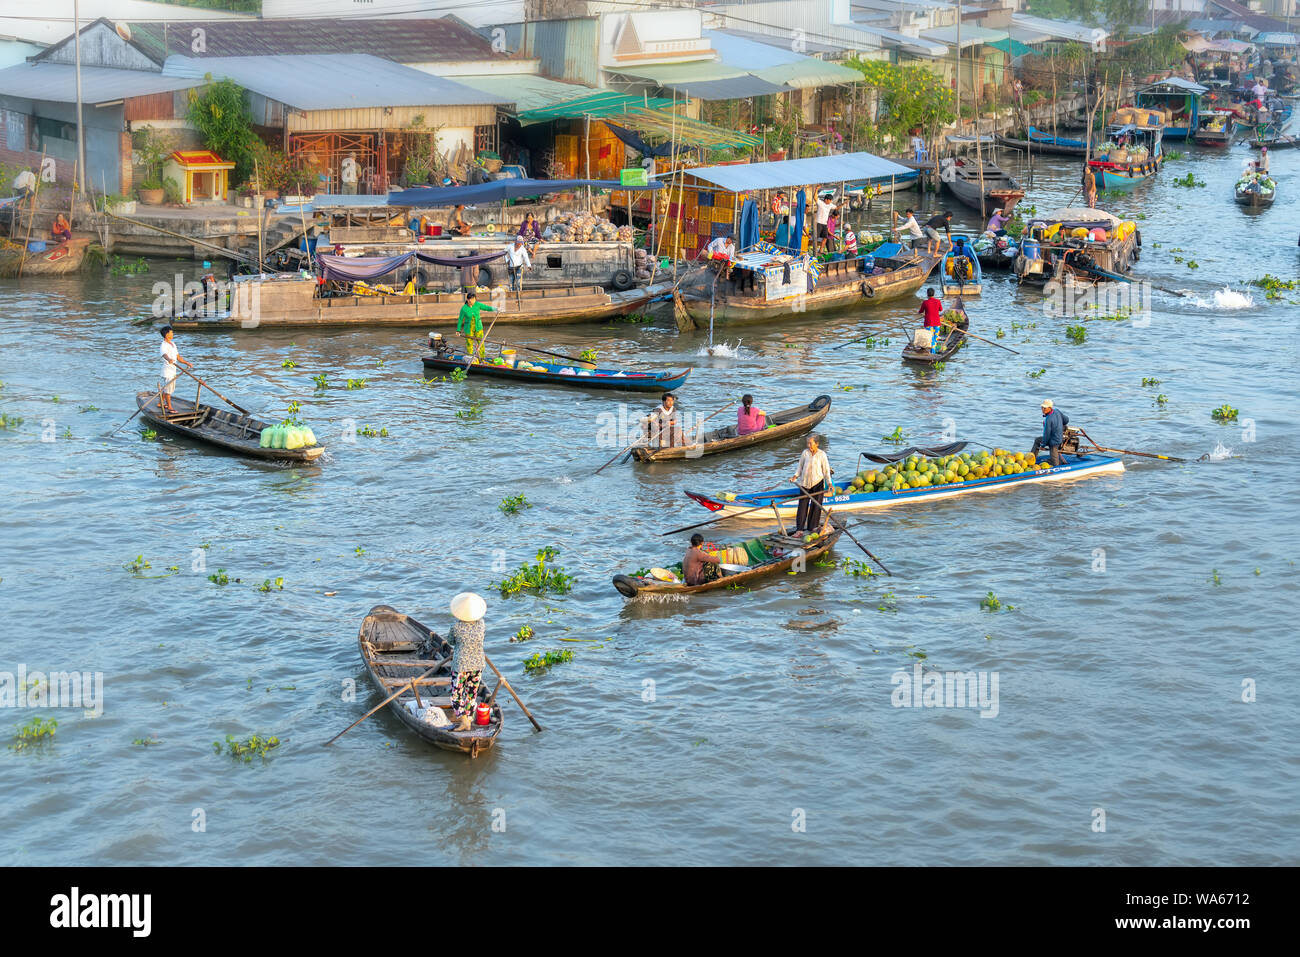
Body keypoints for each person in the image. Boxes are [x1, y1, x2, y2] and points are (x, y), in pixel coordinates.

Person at [446, 592, 487, 732]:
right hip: (478, 664)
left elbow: (450, 641)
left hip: (461, 666)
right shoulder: (481, 624)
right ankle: (469, 718)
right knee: (471, 693)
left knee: (456, 695)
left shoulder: (456, 627)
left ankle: (464, 721)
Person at [792, 433, 833, 533]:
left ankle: (812, 527)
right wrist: (795, 476)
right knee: (802, 506)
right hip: (805, 483)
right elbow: (800, 467)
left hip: (817, 483)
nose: (808, 446)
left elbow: (826, 470)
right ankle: (799, 530)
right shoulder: (805, 453)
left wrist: (830, 483)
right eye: (807, 443)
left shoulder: (822, 454)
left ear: (817, 444)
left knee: (816, 506)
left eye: (811, 443)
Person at [157, 325, 192, 415]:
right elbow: (164, 355)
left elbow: (178, 357)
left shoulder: (173, 344)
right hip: (167, 370)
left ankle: (160, 403)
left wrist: (186, 363)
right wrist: (169, 360)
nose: (173, 333)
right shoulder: (163, 345)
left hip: (173, 370)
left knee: (168, 388)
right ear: (166, 334)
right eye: (171, 332)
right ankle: (170, 407)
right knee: (168, 390)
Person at [456, 291, 494, 360]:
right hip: (468, 329)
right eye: (471, 299)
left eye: (474, 299)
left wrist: (495, 309)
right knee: (469, 344)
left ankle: (482, 358)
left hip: (478, 328)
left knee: (481, 343)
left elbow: (486, 308)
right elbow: (460, 319)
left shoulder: (477, 304)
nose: (473, 301)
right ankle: (470, 358)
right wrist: (458, 330)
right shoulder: (464, 308)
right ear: (468, 299)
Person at [1031, 399, 1069, 467]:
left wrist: (1042, 445)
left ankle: (1031, 460)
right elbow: (1066, 420)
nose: (1043, 409)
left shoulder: (1048, 419)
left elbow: (1046, 435)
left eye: (1045, 408)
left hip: (1054, 441)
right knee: (1037, 440)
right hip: (1059, 437)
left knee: (1055, 463)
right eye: (1042, 407)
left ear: (1050, 408)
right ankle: (1031, 459)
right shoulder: (1057, 411)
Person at [814, 190, 836, 254]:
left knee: (825, 238)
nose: (830, 201)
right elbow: (815, 198)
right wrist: (816, 189)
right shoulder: (821, 203)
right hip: (818, 223)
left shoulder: (830, 205)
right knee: (816, 238)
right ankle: (815, 251)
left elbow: (836, 207)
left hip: (824, 224)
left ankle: (821, 250)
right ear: (826, 199)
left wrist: (843, 204)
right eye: (830, 200)